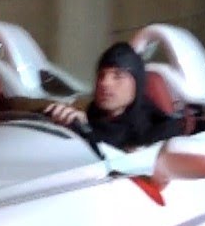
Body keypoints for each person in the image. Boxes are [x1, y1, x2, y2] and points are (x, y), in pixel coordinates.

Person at [44, 42, 183, 150]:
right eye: (101, 75)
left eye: (118, 76)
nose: (105, 83)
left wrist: (87, 133)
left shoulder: (160, 132)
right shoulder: (87, 118)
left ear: (137, 84)